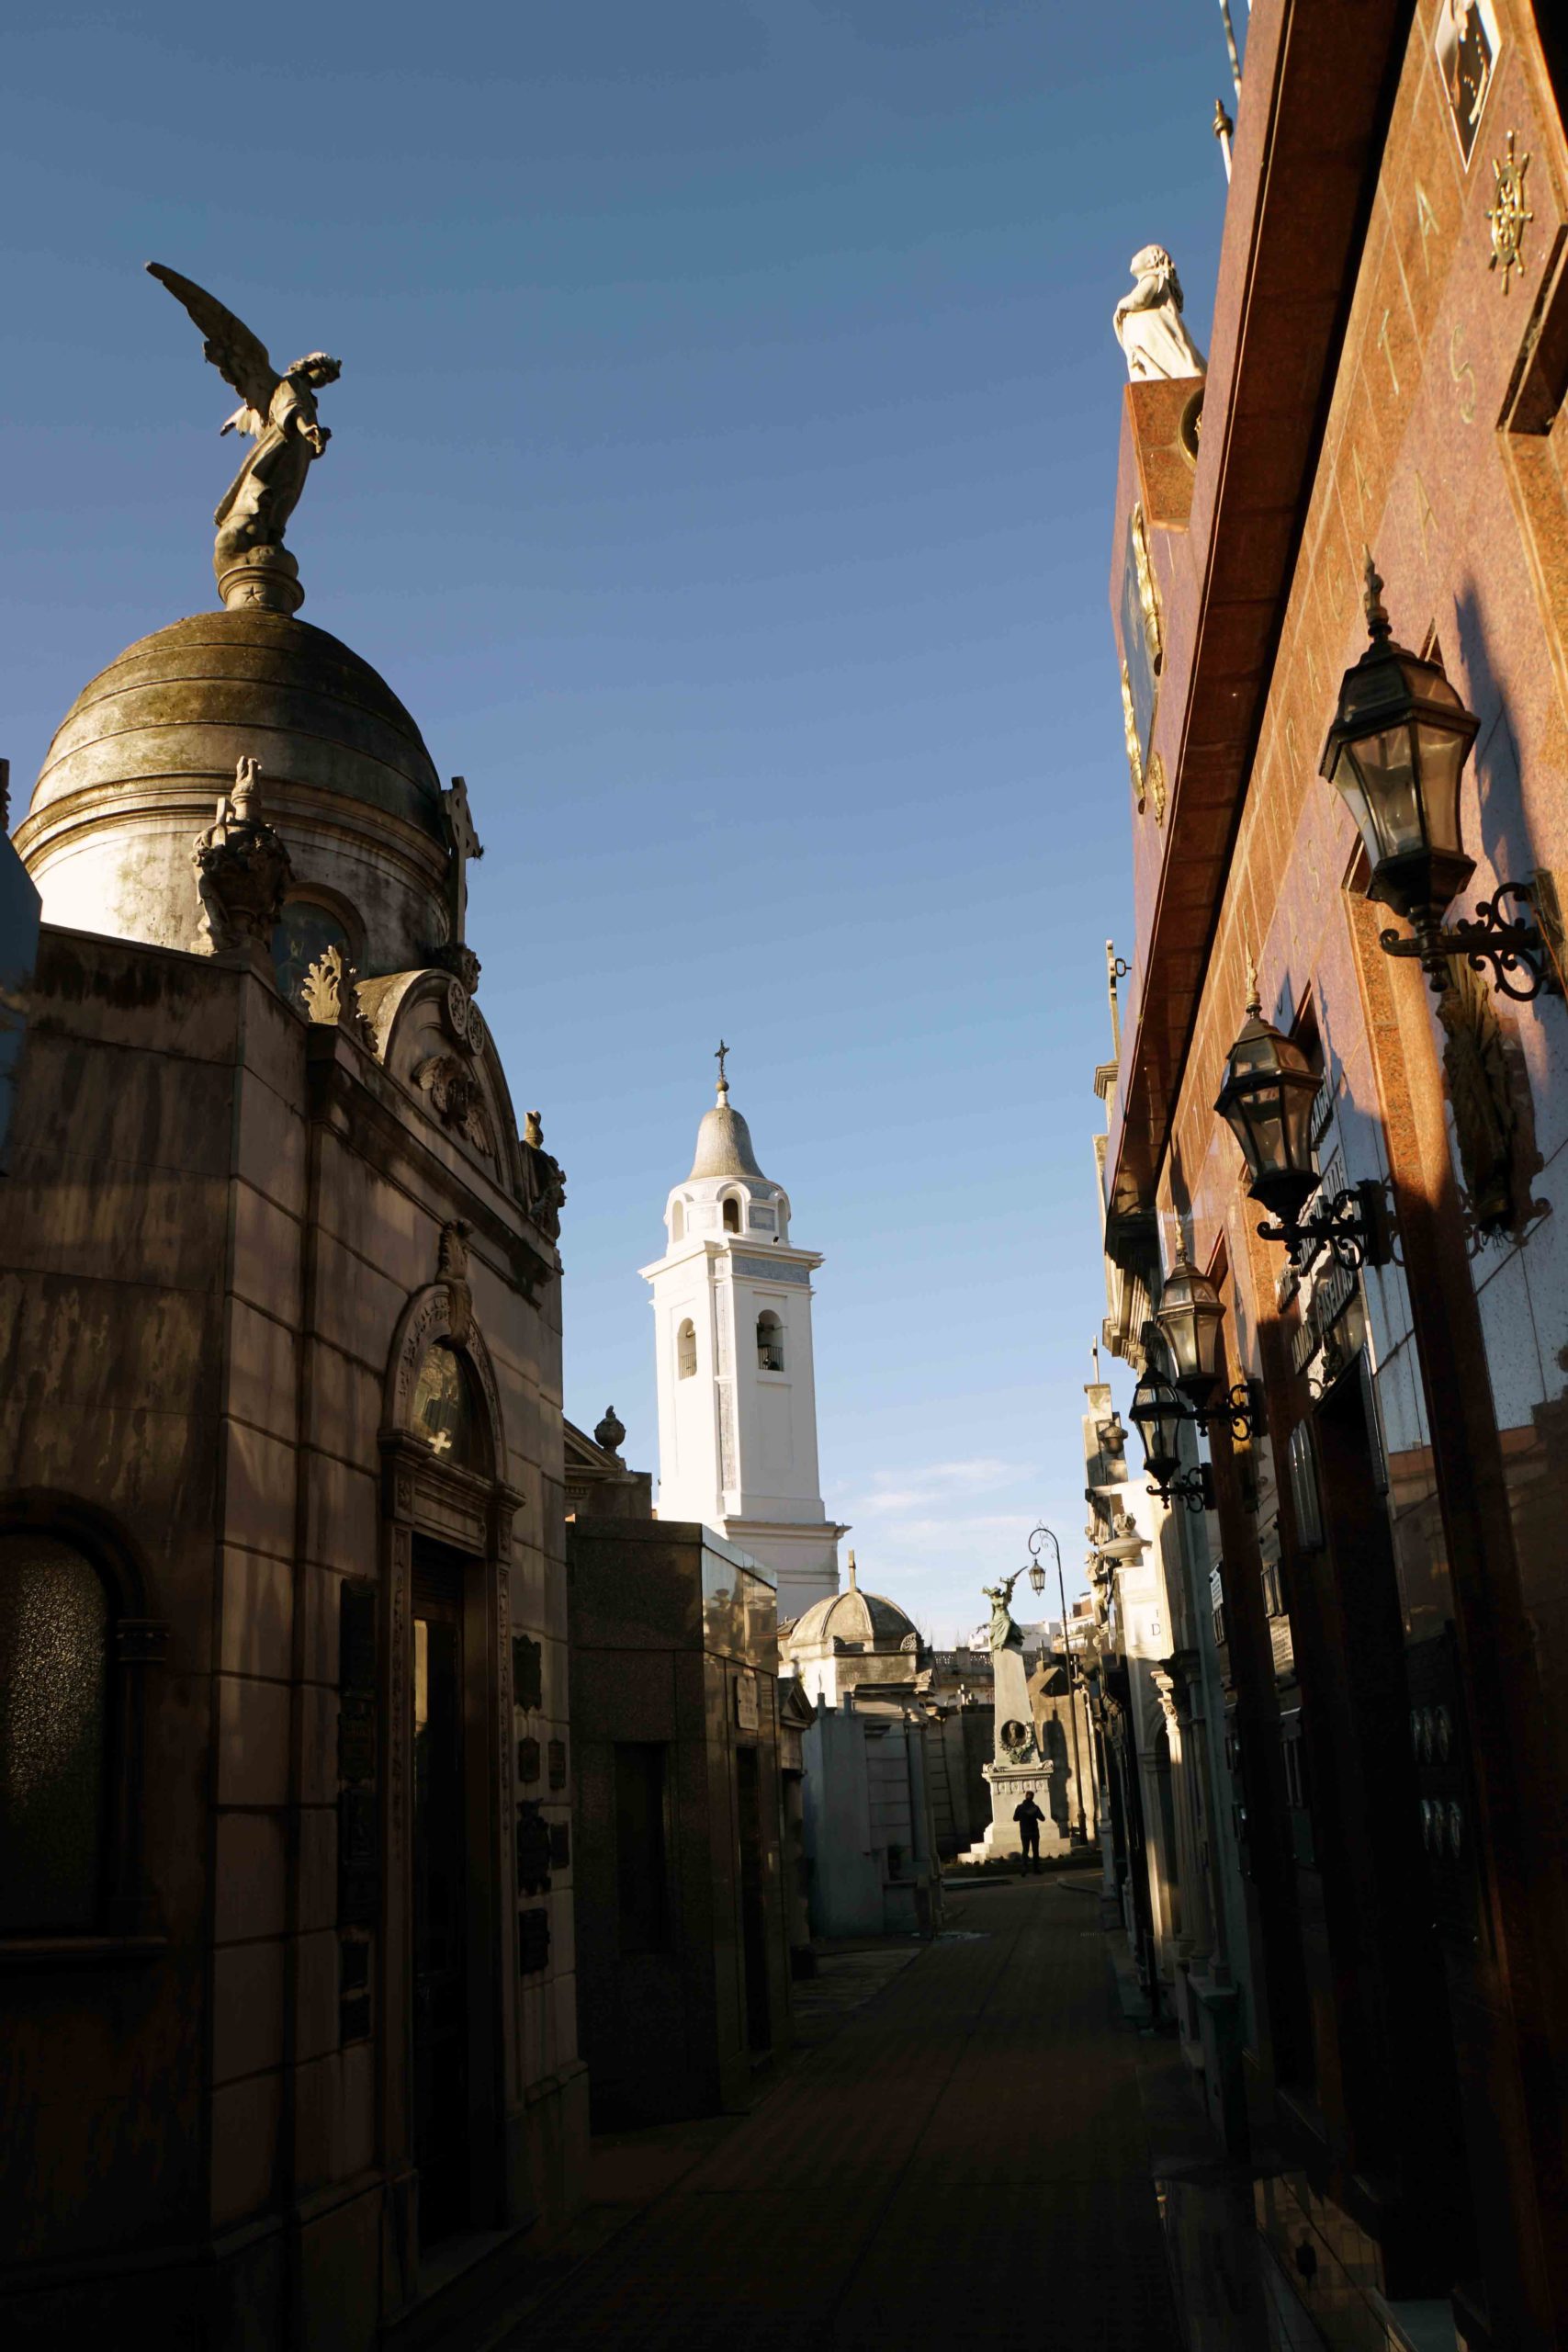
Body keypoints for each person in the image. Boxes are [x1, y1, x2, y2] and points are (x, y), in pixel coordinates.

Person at [1013, 1792, 1045, 1874]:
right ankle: (1035, 1869)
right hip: (1034, 1832)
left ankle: (1025, 1868)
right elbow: (1042, 1818)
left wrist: (1023, 1817)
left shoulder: (1020, 1807)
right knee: (1035, 1850)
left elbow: (1015, 1818)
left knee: (1025, 1850)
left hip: (1024, 1832)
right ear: (1033, 1798)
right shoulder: (1035, 1808)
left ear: (1025, 1796)